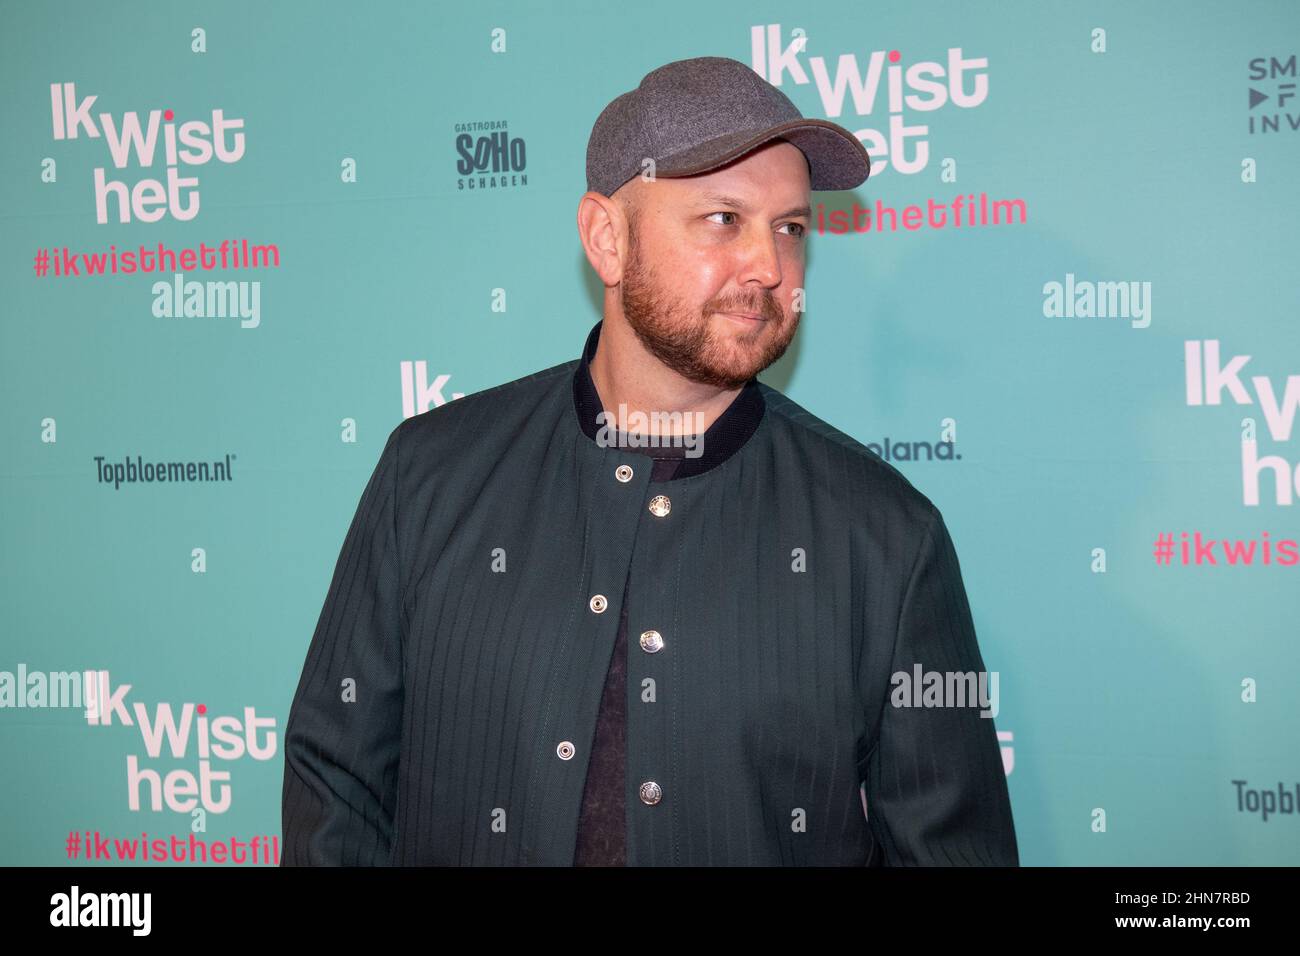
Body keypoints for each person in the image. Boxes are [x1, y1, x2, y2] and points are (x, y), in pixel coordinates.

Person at [281, 55, 1018, 866]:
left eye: (791, 228)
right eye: (723, 218)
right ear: (607, 238)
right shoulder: (428, 476)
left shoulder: (886, 537)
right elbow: (337, 785)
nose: (770, 267)